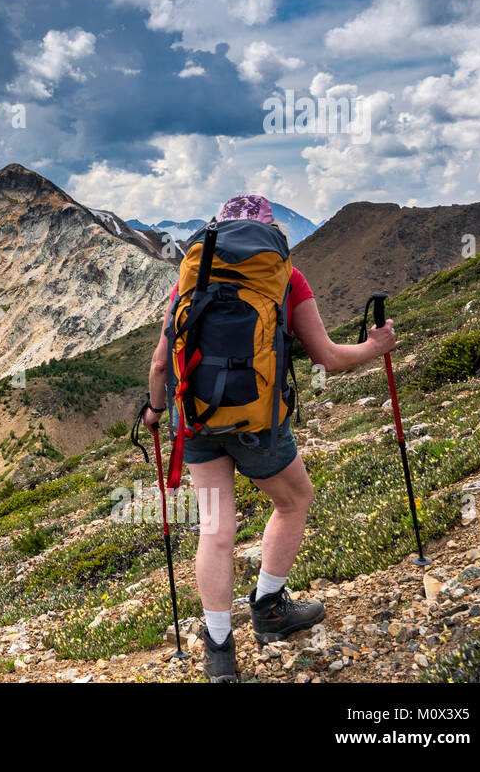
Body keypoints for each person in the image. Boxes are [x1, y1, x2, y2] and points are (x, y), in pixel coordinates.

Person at [142, 194, 396, 682]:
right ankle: (270, 608)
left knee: (215, 530)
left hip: (195, 422)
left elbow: (158, 364)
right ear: (267, 235)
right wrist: (375, 345)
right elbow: (327, 357)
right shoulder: (283, 276)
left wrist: (156, 411)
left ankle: (219, 653)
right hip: (258, 422)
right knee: (294, 500)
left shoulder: (191, 277)